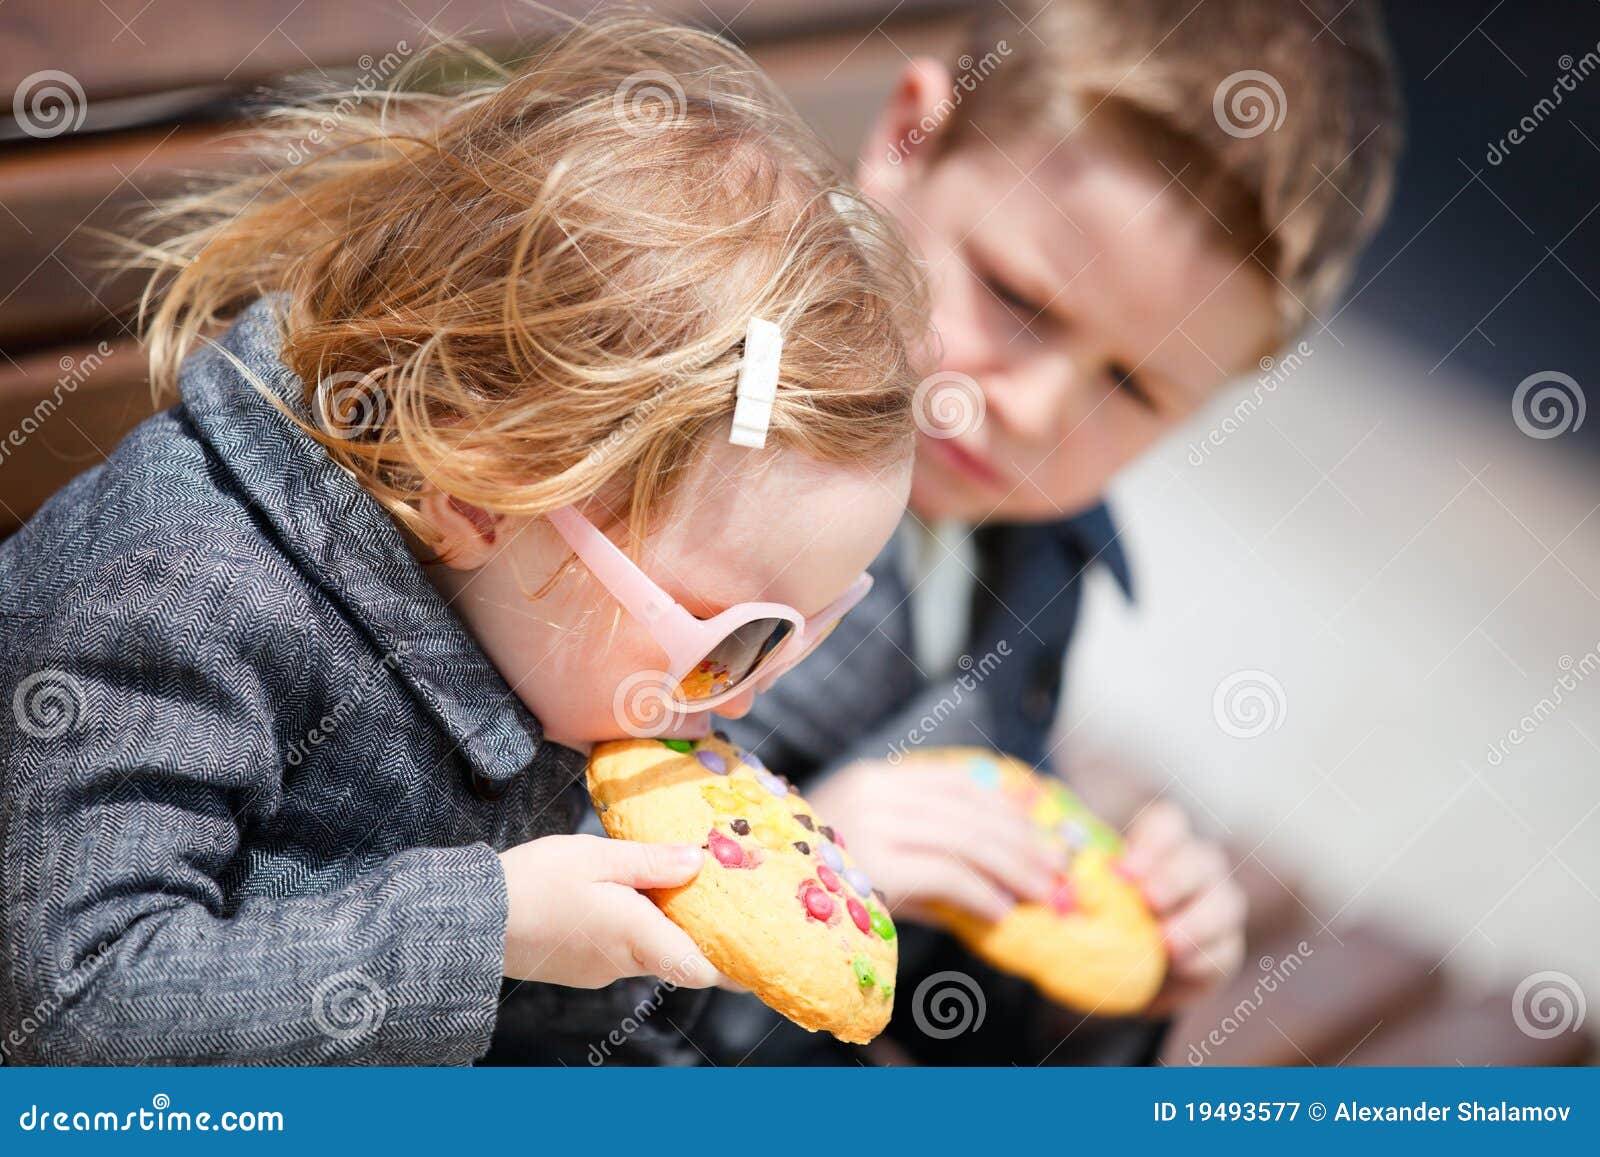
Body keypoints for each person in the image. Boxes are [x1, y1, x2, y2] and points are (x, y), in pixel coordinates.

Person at [0, 13, 926, 1065]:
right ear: (481, 486)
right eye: (737, 631)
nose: (749, 691)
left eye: (816, 623)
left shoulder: (533, 619)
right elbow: (73, 1014)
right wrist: (486, 929)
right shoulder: (179, 590)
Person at [711, 0, 1403, 1065]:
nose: (1036, 407)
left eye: (1130, 382)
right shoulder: (688, 455)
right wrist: (799, 879)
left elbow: (935, 1000)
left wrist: (1110, 977)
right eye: (1019, 298)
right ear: (910, 142)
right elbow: (494, 923)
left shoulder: (1033, 560)